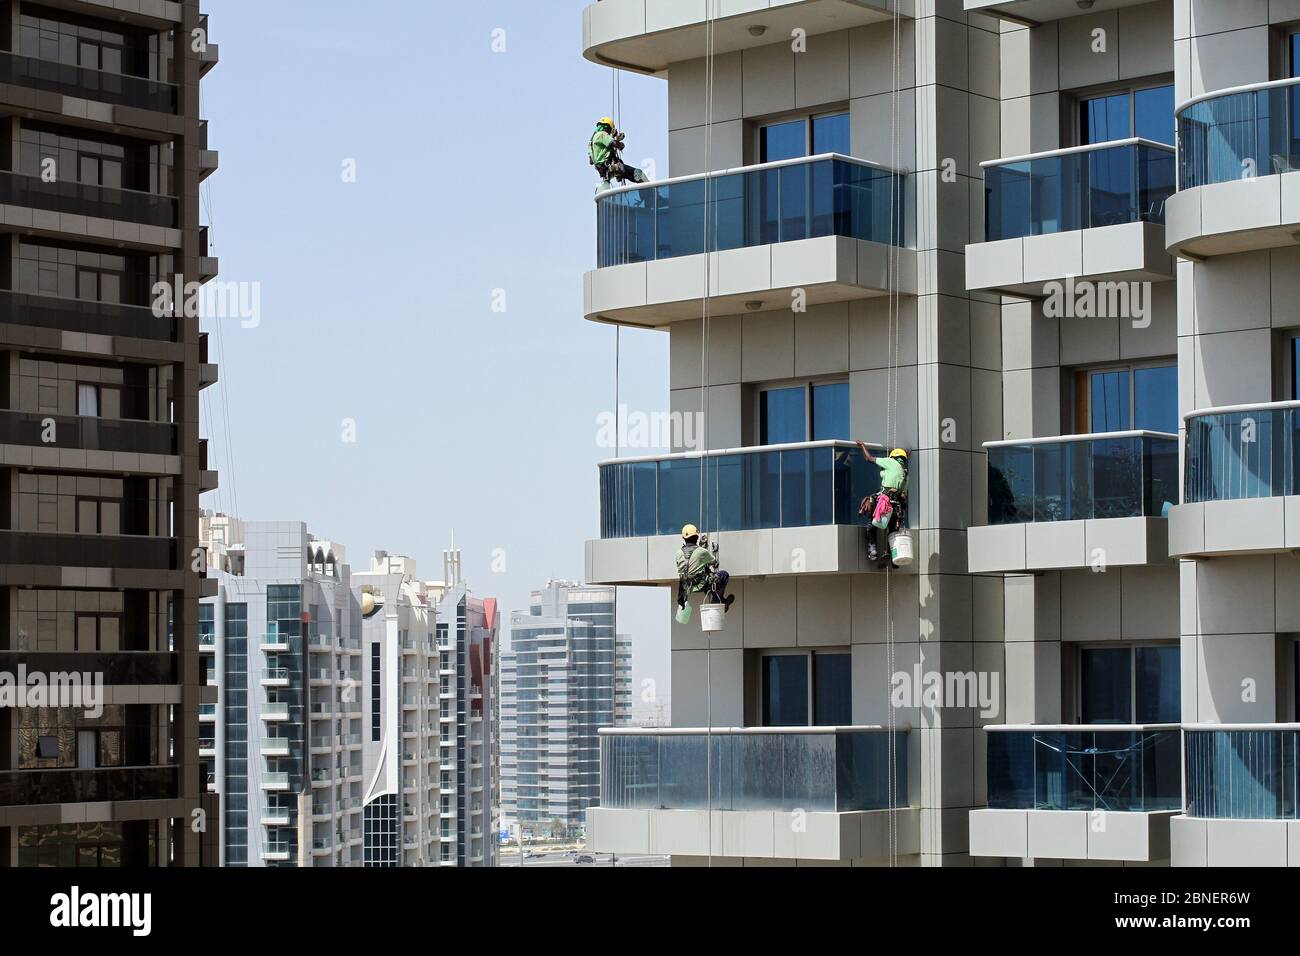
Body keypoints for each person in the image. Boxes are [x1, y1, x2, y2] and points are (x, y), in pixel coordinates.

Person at [856, 441, 909, 568]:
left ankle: (873, 550)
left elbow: (869, 459)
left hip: (885, 503)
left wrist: (863, 446)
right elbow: (904, 496)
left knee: (872, 525)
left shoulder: (890, 462)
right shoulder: (905, 473)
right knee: (892, 531)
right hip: (897, 507)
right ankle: (893, 558)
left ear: (894, 457)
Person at [674, 524, 735, 614]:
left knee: (708, 578)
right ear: (697, 537)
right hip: (701, 584)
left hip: (688, 587)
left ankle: (721, 601)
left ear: (684, 538)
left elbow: (682, 573)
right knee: (724, 575)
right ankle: (717, 602)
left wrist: (680, 597)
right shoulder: (701, 552)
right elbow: (714, 562)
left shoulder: (678, 553)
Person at [589, 117, 648, 190]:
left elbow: (591, 161)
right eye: (610, 130)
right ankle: (650, 189)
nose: (610, 132)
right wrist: (620, 144)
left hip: (603, 169)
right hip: (611, 166)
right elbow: (614, 144)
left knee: (629, 175)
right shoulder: (602, 134)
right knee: (638, 174)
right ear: (607, 127)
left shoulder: (591, 143)